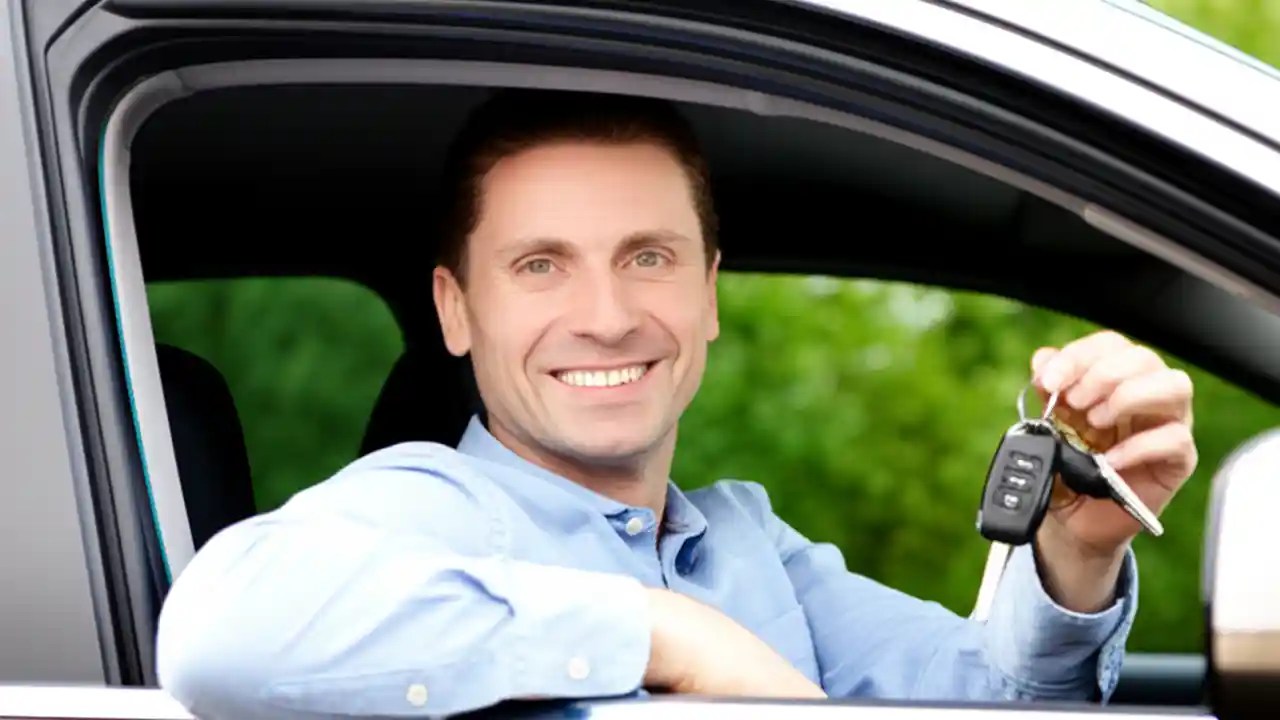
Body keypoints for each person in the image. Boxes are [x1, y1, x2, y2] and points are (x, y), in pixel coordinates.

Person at [154, 88, 1198, 719]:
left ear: (706, 293)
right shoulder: (429, 506)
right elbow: (215, 633)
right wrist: (663, 638)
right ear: (455, 308)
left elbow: (1002, 708)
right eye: (539, 265)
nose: (606, 316)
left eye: (646, 257)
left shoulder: (750, 546)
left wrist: (1078, 549)